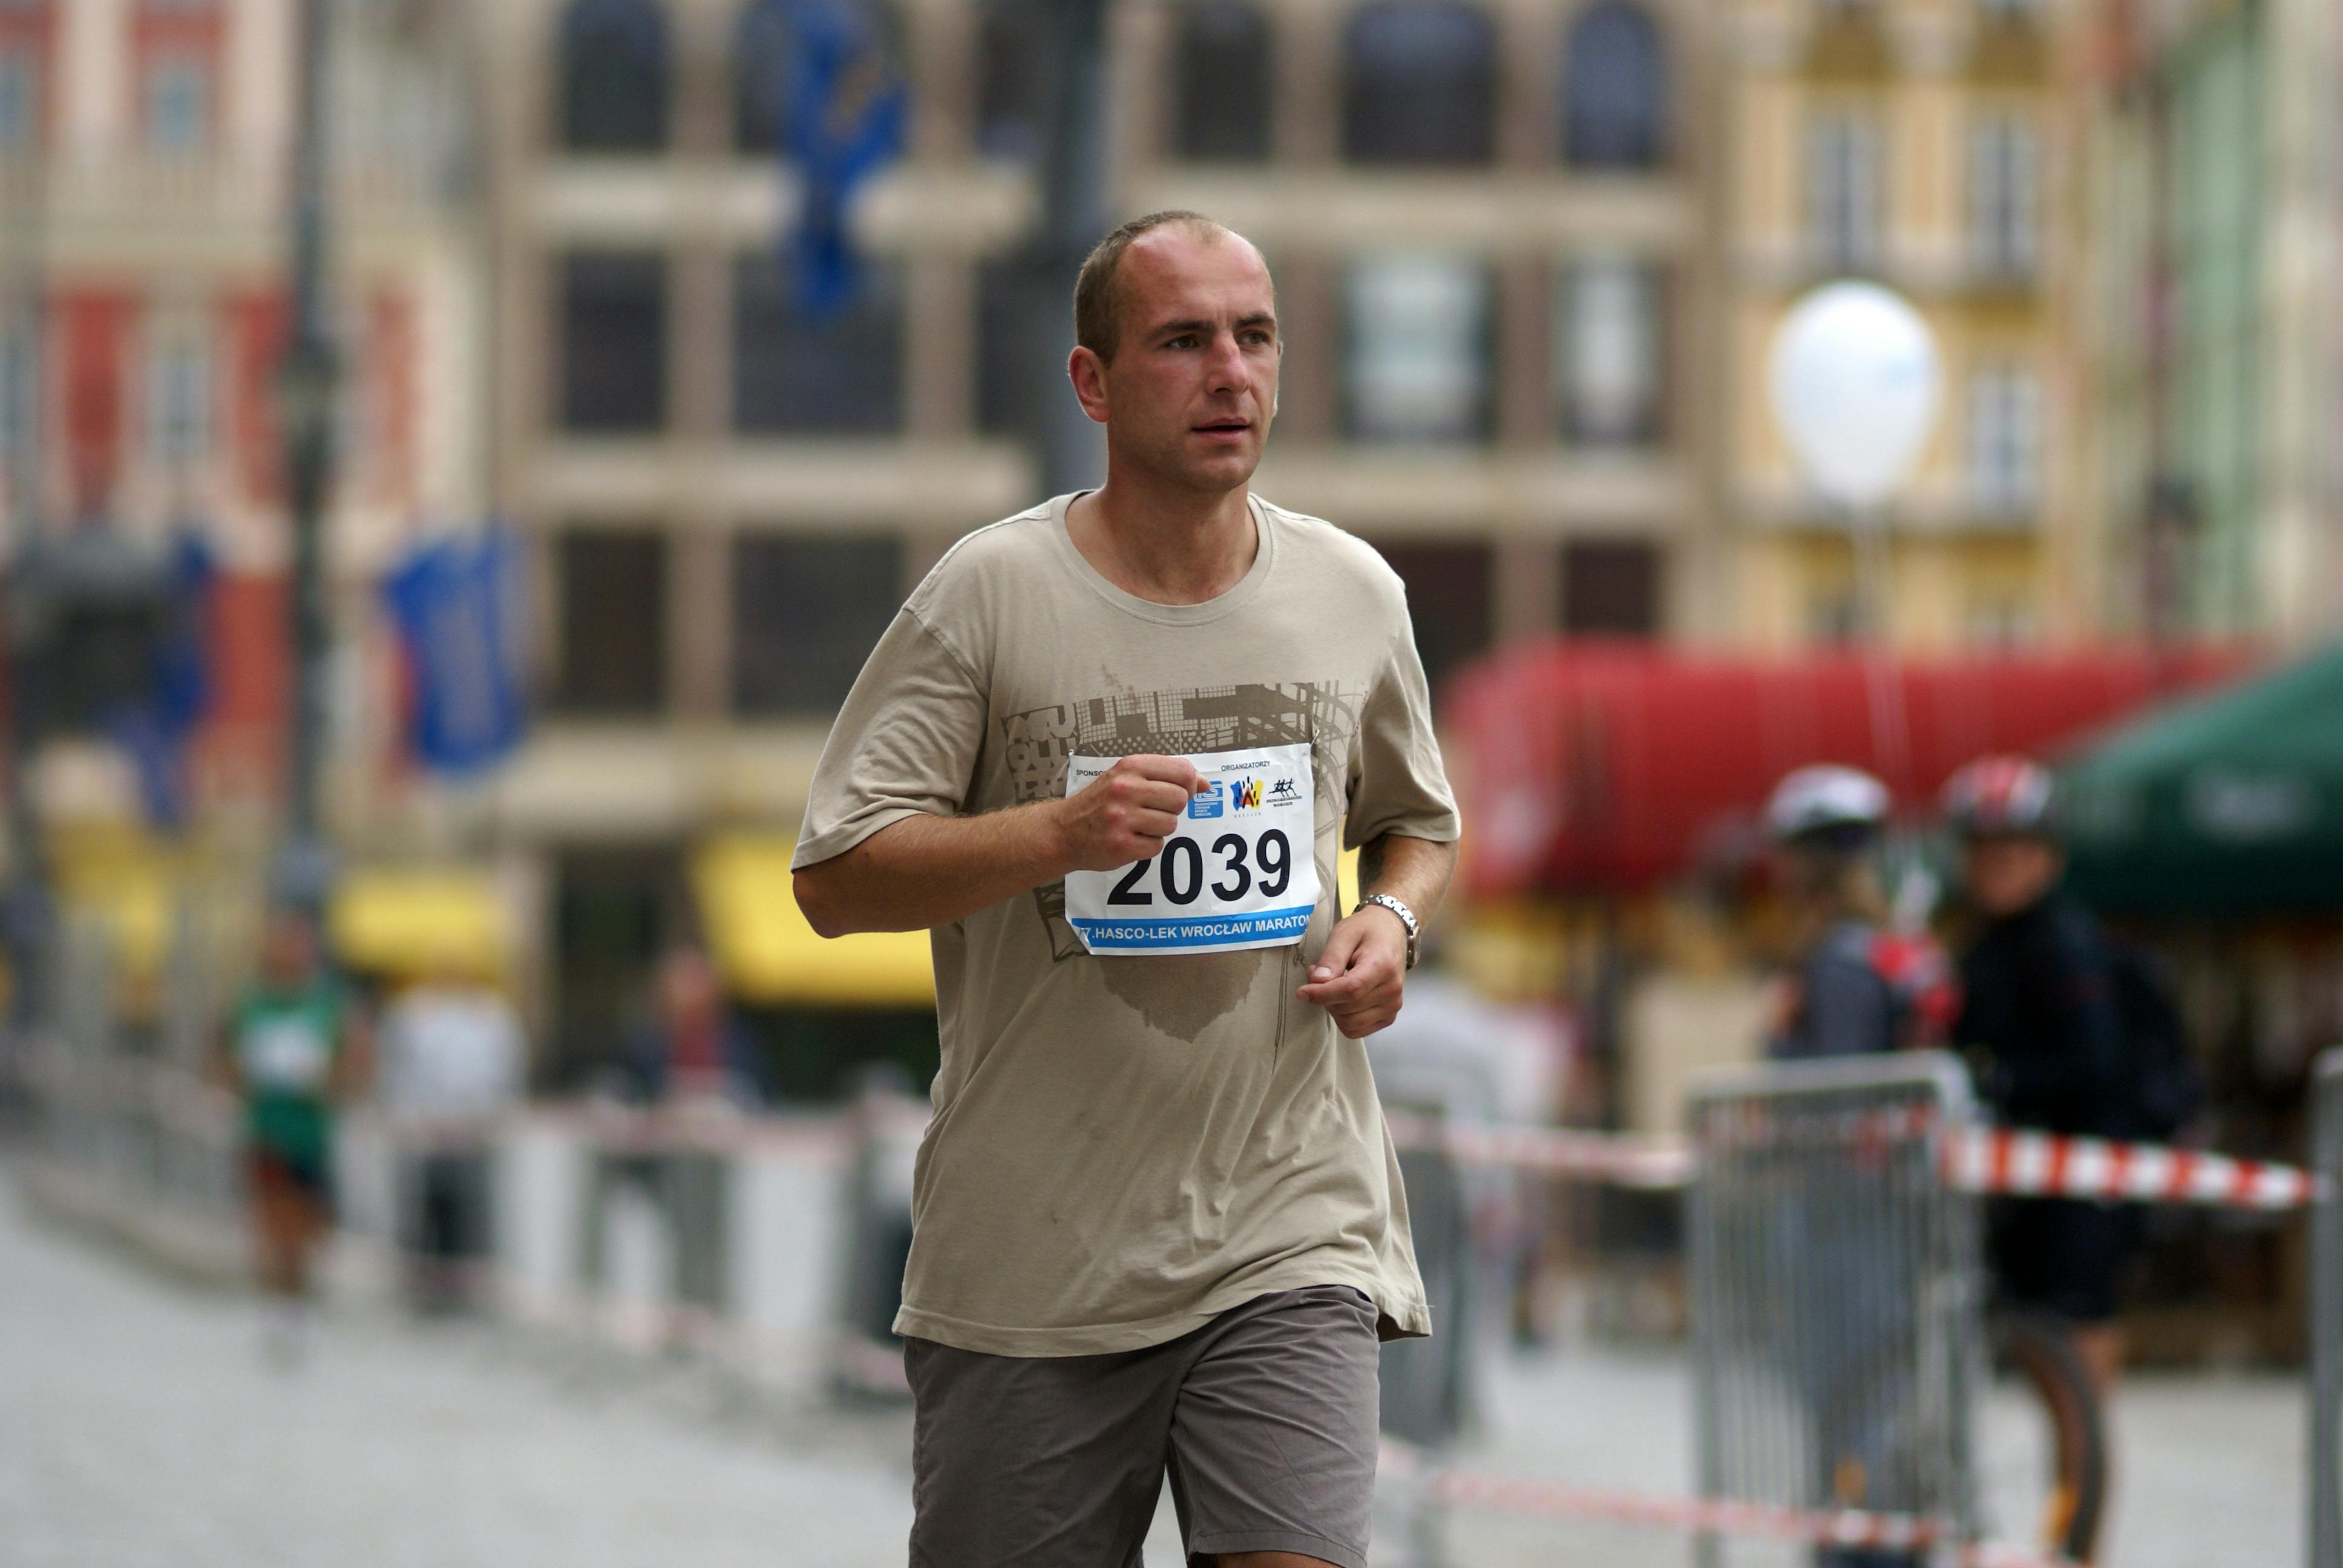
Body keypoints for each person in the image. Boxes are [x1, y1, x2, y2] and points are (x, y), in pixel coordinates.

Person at [791, 210, 1460, 1568]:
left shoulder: (1351, 592)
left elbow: (1416, 825)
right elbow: (834, 877)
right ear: (1092, 384)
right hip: (1035, 1266)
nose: (1231, 372)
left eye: (1254, 336)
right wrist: (1056, 834)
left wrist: (1390, 921)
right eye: (1182, 342)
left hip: (1289, 1227)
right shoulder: (986, 595)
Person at [1943, 755, 2137, 1397]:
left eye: (2011, 850)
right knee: (2036, 1350)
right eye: (1982, 850)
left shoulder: (2061, 945)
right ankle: (2066, 1493)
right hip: (2025, 1182)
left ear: (2045, 857)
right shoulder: (1984, 949)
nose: (1994, 866)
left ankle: (2079, 1494)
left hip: (2079, 1181)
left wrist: (1996, 1079)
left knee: (2077, 1341)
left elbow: (2097, 1065)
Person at [214, 908, 369, 1362]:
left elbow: (356, 1064)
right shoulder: (248, 1004)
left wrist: (326, 1083)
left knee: (309, 1227)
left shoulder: (329, 1006)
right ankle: (279, 1308)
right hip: (266, 1131)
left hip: (313, 1133)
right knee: (273, 1220)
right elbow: (221, 1062)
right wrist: (247, 1079)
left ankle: (298, 1299)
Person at [375, 947, 526, 1311]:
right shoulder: (414, 1013)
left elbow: (506, 1070)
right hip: (425, 1134)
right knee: (426, 1210)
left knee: (470, 1212)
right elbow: (397, 1069)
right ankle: (426, 1289)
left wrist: (491, 1114)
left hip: (473, 1134)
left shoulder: (490, 1015)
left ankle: (467, 1289)